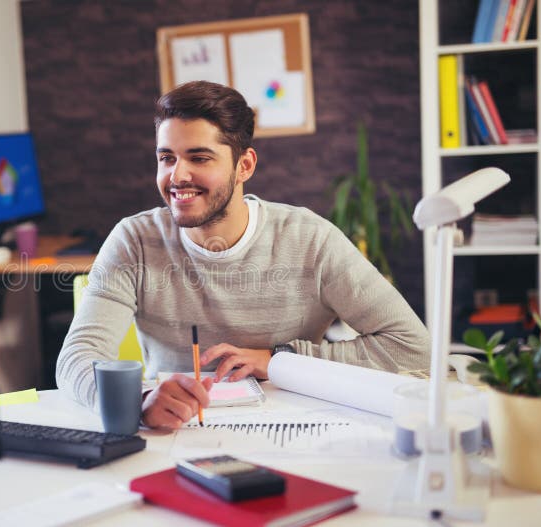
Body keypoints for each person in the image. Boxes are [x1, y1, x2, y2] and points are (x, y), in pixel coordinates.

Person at [56, 80, 430, 431]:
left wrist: (280, 360)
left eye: (199, 158)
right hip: (173, 436)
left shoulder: (309, 239)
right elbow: (77, 357)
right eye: (167, 158)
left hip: (291, 431)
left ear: (245, 166)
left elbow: (413, 348)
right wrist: (137, 402)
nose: (177, 176)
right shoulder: (134, 240)